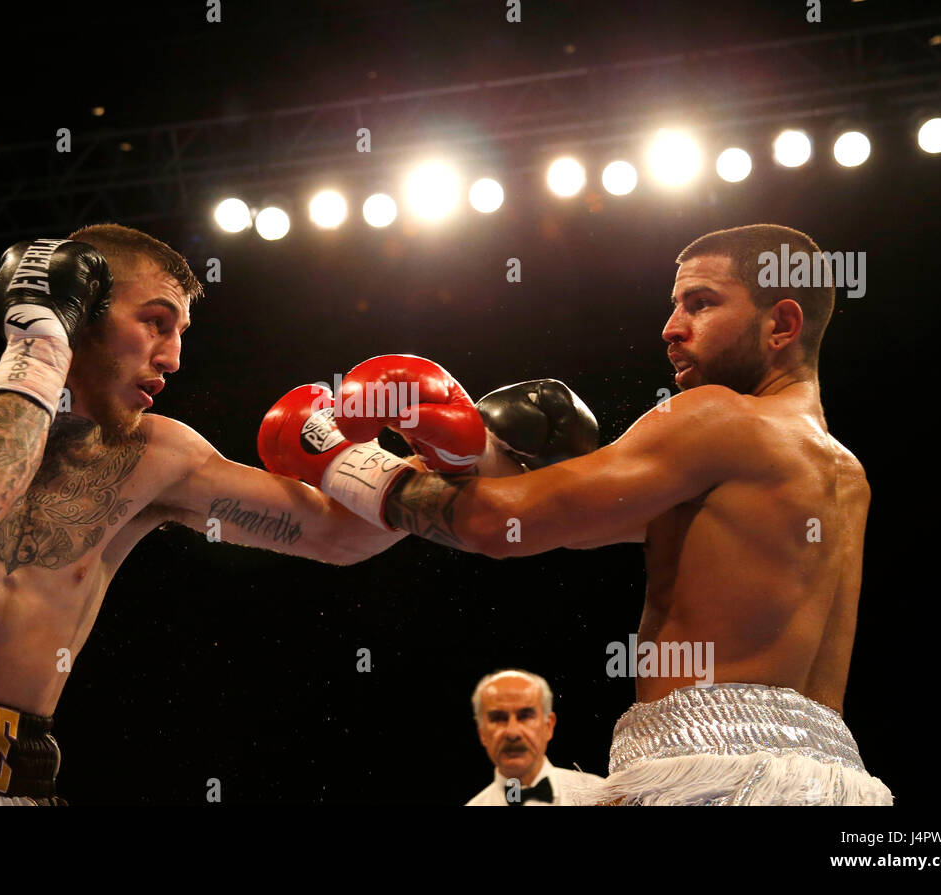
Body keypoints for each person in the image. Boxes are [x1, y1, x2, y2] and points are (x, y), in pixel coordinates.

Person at [0, 224, 417, 805]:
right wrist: (39, 338)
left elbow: (340, 537)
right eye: (155, 321)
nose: (173, 356)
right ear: (80, 308)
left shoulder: (162, 454)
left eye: (179, 331)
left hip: (10, 780)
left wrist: (420, 444)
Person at [322, 224, 894, 805]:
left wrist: (343, 459)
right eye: (675, 306)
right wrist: (492, 465)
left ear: (782, 325)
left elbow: (496, 527)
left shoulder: (721, 417)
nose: (671, 329)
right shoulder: (844, 475)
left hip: (711, 775)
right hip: (839, 783)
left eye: (700, 304)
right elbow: (568, 523)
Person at [465, 670, 604, 806]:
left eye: (525, 716)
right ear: (482, 732)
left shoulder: (600, 796)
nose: (512, 733)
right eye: (498, 718)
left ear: (548, 726)